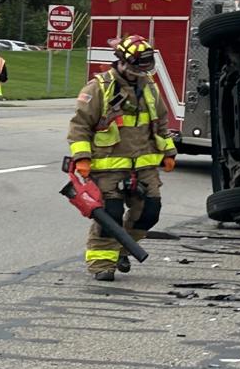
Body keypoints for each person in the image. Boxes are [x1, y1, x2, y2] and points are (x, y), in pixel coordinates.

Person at [67, 35, 177, 281]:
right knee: (110, 216)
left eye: (146, 68)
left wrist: (169, 152)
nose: (142, 73)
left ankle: (121, 251)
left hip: (144, 165)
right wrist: (82, 158)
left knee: (149, 213)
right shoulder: (99, 88)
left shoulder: (148, 87)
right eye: (139, 67)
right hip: (108, 167)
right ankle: (101, 265)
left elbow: (160, 122)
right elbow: (79, 127)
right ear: (123, 63)